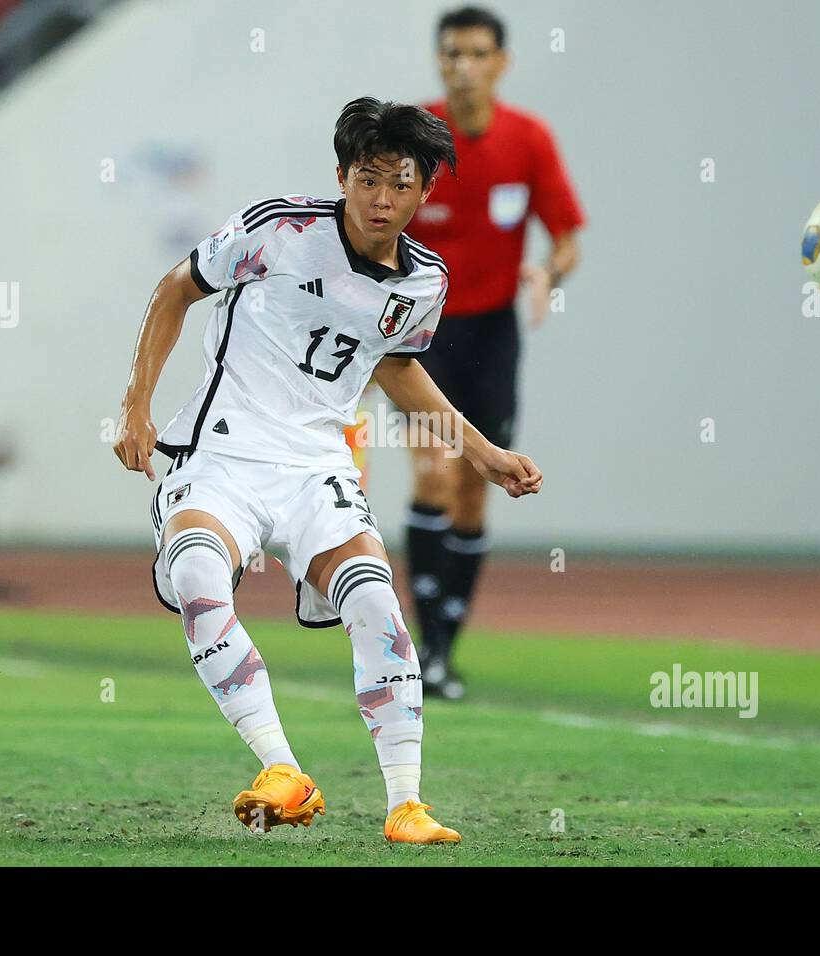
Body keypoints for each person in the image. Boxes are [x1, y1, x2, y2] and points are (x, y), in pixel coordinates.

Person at [111, 97, 543, 845]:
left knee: (376, 602)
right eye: (368, 179)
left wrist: (484, 454)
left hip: (317, 467)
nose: (381, 199)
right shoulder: (277, 229)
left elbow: (399, 372)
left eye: (400, 183)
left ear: (424, 190)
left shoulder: (425, 283)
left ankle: (406, 806)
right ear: (341, 176)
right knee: (197, 577)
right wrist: (137, 403)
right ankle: (281, 769)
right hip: (221, 453)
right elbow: (175, 288)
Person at [404, 6, 585, 700]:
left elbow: (566, 233)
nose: (464, 65)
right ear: (439, 61)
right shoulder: (415, 136)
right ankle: (421, 650)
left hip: (492, 335)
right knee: (434, 480)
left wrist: (548, 270)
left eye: (478, 53)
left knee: (477, 495)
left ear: (501, 62)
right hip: (422, 335)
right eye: (452, 53)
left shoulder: (528, 139)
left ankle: (444, 649)